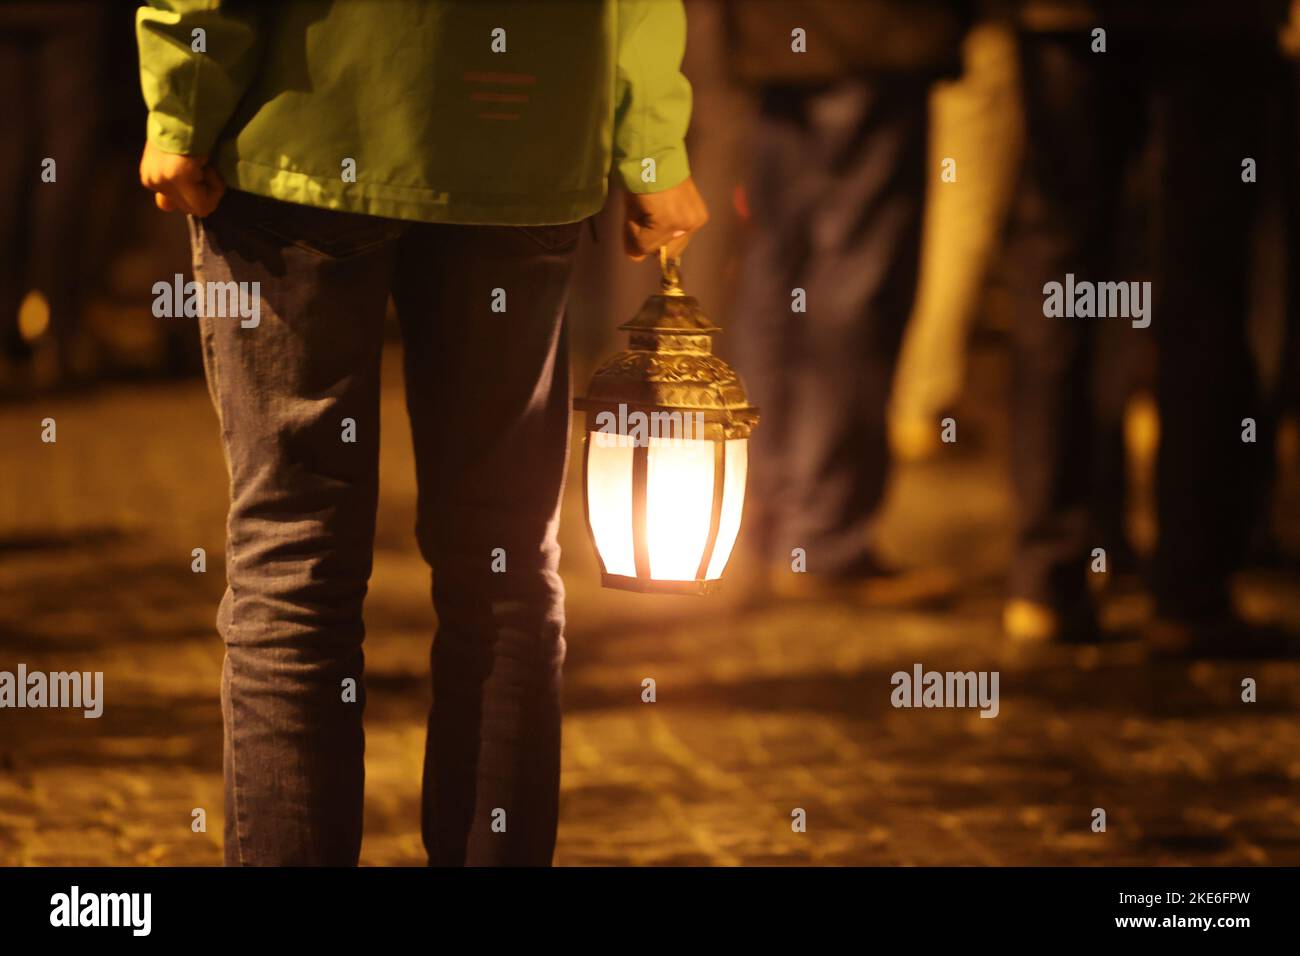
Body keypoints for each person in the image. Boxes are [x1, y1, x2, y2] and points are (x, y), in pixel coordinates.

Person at [135, 0, 707, 867]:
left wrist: (186, 94)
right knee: (504, 566)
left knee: (294, 563)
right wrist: (652, 139)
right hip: (525, 135)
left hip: (308, 124)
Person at [723, 0, 969, 606]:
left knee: (780, 271)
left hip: (776, 33)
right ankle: (821, 534)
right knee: (856, 276)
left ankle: (762, 518)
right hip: (870, 32)